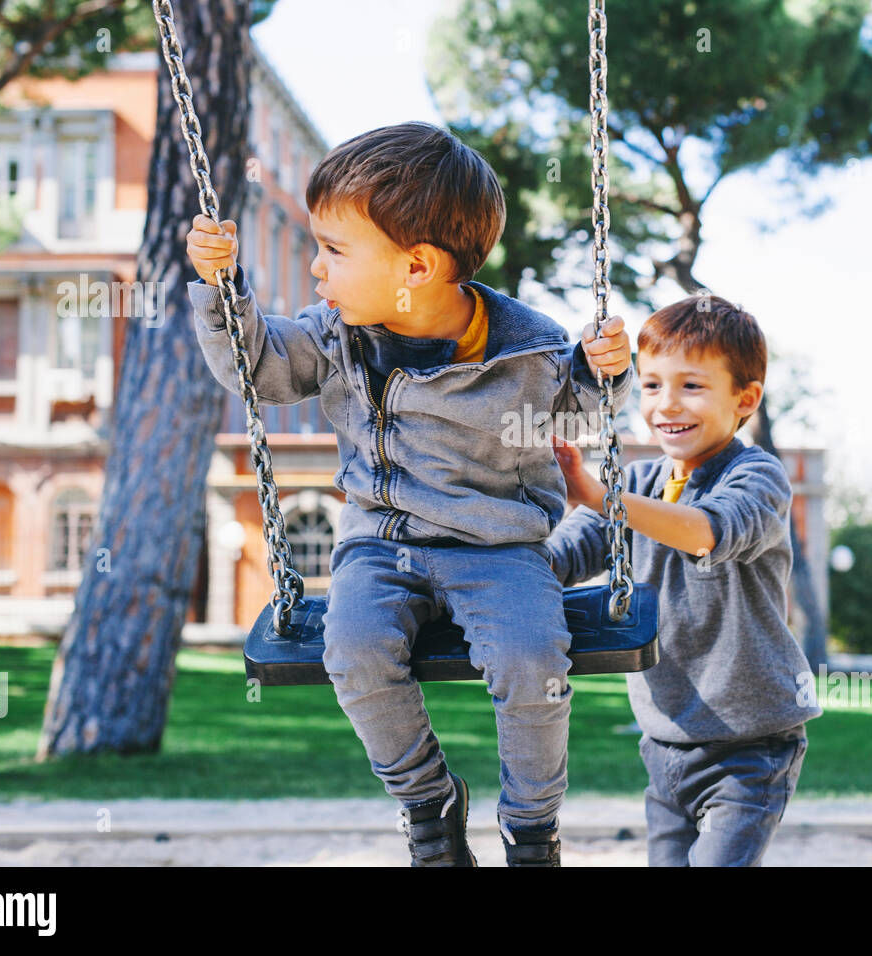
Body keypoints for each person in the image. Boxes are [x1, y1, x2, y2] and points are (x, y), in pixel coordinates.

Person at [185, 121, 633, 867]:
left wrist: (601, 373)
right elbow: (257, 365)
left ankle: (530, 825)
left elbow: (583, 417)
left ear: (416, 267)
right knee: (353, 650)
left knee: (533, 659)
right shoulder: (336, 336)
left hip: (498, 549)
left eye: (333, 250)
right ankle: (429, 803)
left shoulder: (527, 348)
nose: (316, 270)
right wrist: (221, 286)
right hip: (380, 544)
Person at [545, 294, 822, 866]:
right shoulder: (639, 482)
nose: (666, 404)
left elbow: (706, 533)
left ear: (745, 398)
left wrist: (601, 496)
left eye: (691, 386)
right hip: (664, 743)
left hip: (751, 747)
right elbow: (562, 559)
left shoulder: (757, 476)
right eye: (650, 386)